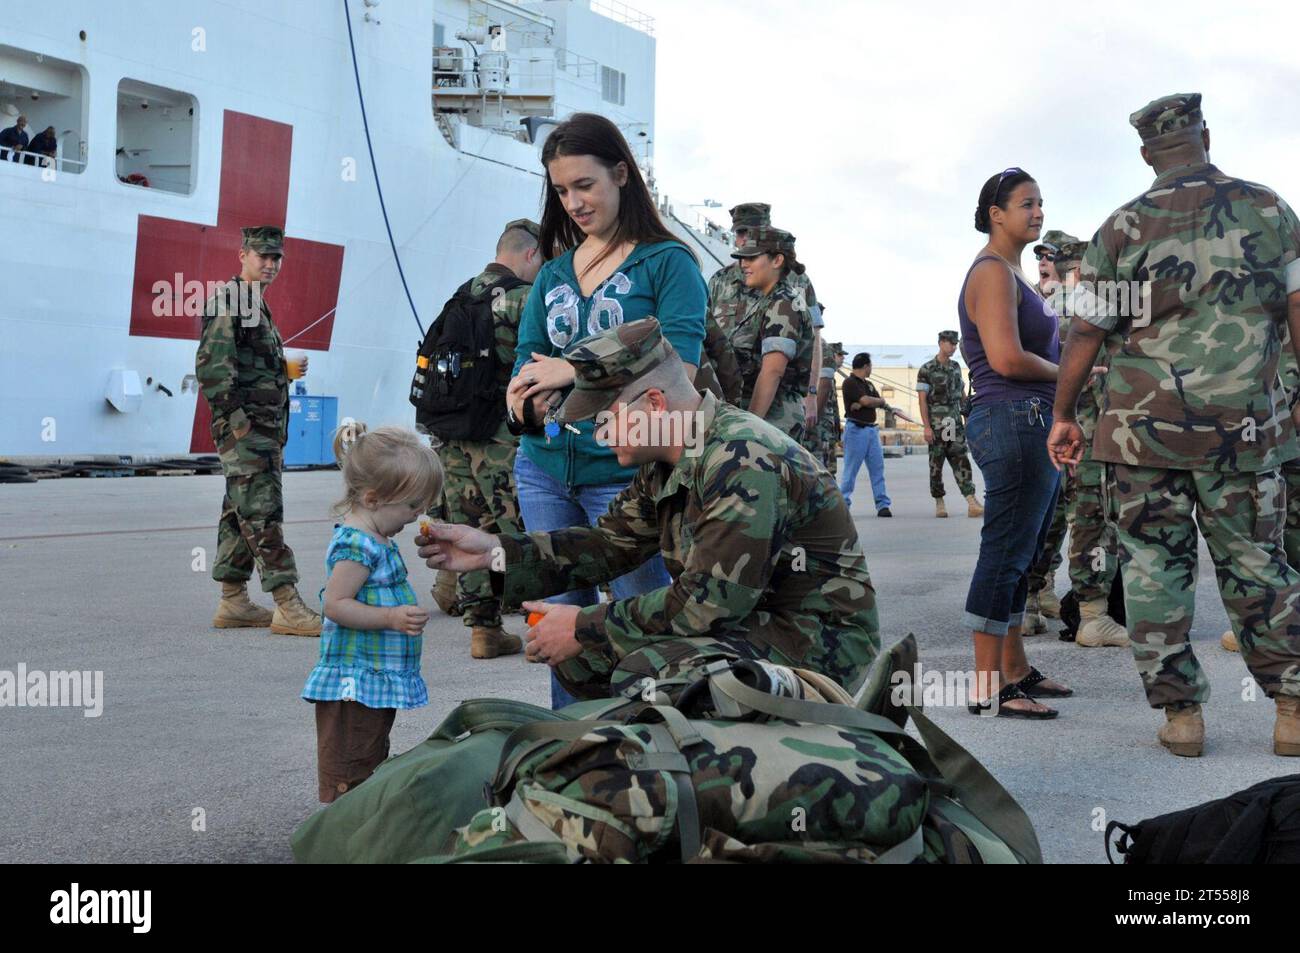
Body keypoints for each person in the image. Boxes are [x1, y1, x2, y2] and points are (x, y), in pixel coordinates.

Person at [421, 318, 879, 698]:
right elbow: (607, 546)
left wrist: (583, 624)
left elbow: (708, 602)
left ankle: (712, 786)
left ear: (655, 403)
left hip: (818, 647)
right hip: (754, 625)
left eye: (605, 419)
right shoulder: (669, 458)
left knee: (656, 670)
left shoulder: (742, 457)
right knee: (593, 658)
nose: (600, 434)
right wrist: (493, 553)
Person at [1049, 93, 1300, 757]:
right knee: (1260, 566)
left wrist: (1063, 412)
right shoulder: (1271, 211)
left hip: (1141, 438)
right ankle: (1292, 712)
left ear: (1145, 155)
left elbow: (1085, 329)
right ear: (1206, 137)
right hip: (1248, 432)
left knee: (1154, 571)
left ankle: (1182, 718)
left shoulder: (1121, 227)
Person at [507, 112, 706, 708]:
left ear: (622, 173)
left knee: (640, 625)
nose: (573, 202)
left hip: (626, 479)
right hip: (543, 469)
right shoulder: (552, 276)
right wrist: (525, 399)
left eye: (585, 185)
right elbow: (524, 362)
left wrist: (573, 369)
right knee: (555, 628)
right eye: (561, 190)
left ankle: (648, 755)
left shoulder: (669, 263)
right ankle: (572, 758)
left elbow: (679, 375)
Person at [960, 168, 1070, 719]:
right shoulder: (992, 274)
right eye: (1027, 204)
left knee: (1021, 553)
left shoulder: (1013, 273)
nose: (1038, 212)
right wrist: (1070, 372)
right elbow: (1005, 359)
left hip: (1029, 418)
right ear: (995, 214)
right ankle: (988, 688)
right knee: (1004, 551)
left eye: (1041, 202)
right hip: (1012, 415)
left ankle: (1016, 668)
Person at [302, 424, 442, 802]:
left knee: (368, 757)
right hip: (354, 684)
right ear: (373, 498)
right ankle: (341, 832)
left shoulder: (378, 537)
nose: (418, 514)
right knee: (351, 769)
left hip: (370, 681)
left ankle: (359, 821)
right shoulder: (357, 544)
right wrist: (391, 618)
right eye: (413, 505)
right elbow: (335, 604)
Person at [196, 225, 322, 636]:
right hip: (248, 433)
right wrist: (241, 430)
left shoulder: (253, 304)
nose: (269, 264)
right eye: (261, 256)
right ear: (242, 255)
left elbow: (246, 363)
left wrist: (280, 370)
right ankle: (287, 603)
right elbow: (213, 369)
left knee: (239, 510)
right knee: (262, 512)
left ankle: (233, 601)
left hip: (263, 430)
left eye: (276, 257)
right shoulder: (232, 300)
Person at [426, 218, 542, 660]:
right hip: (499, 436)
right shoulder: (522, 298)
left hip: (453, 434)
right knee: (523, 526)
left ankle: (485, 631)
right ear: (530, 254)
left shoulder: (460, 296)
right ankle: (539, 625)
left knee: (467, 528)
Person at [707, 203, 824, 421]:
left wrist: (812, 393)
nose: (746, 240)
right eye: (742, 233)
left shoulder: (790, 293)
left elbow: (776, 369)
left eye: (753, 234)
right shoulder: (719, 281)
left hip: (772, 410)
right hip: (729, 401)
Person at [1021, 230, 1080, 630]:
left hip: (1078, 425)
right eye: (1039, 257)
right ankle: (1027, 595)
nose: (1044, 263)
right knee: (1041, 514)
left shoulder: (1084, 305)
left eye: (1052, 258)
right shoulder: (1027, 304)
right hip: (1039, 421)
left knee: (1067, 515)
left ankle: (1043, 587)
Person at [726, 226, 817, 442]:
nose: (743, 264)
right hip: (765, 416)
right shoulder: (768, 301)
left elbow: (773, 371)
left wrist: (748, 425)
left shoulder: (783, 304)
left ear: (777, 261)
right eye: (742, 258)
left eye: (752, 258)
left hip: (774, 419)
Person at [916, 330, 983, 518]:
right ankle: (939, 501)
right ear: (941, 343)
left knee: (960, 458)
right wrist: (927, 426)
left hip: (952, 422)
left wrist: (967, 416)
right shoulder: (927, 369)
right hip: (937, 422)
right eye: (950, 344)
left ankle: (971, 500)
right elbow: (922, 400)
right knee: (936, 464)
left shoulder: (955, 367)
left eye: (955, 344)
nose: (953, 347)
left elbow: (961, 394)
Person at [839, 353, 894, 516]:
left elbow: (872, 400)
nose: (871, 369)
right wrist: (872, 402)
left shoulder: (868, 384)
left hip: (871, 430)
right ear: (865, 366)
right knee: (850, 470)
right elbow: (868, 401)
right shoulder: (849, 383)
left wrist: (872, 402)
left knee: (877, 469)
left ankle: (882, 504)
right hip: (856, 430)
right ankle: (844, 505)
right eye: (870, 366)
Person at [815, 338, 846, 475]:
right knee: (821, 469)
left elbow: (835, 410)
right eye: (839, 355)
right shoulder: (821, 378)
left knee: (830, 471)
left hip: (830, 432)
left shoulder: (831, 378)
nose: (843, 358)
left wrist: (838, 435)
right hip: (821, 431)